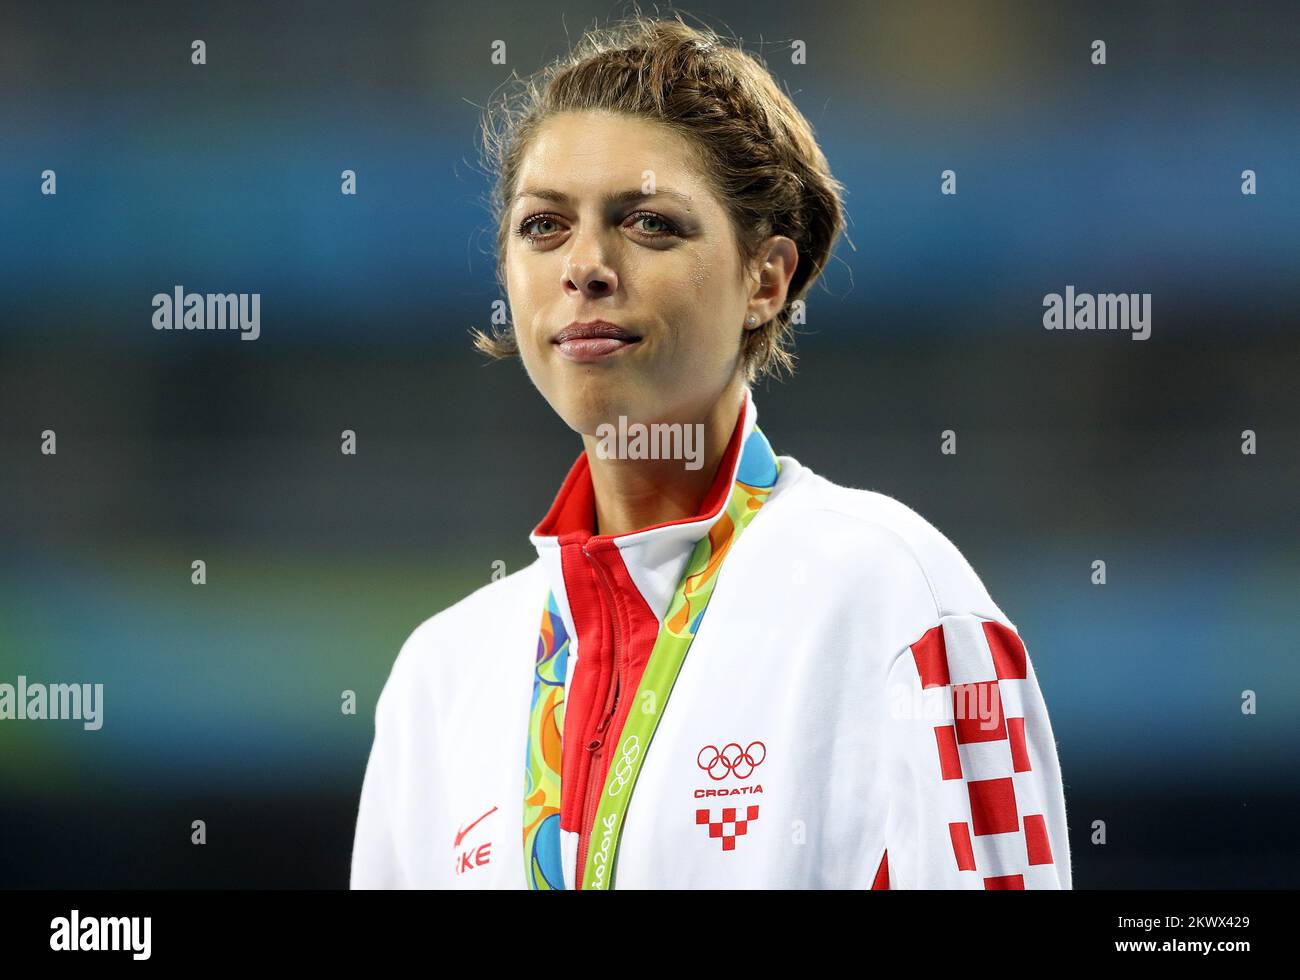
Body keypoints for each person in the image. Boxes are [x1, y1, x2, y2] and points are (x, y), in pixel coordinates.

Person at [350, 12, 1071, 890]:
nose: (586, 266)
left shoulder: (892, 599)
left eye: (649, 222)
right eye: (544, 226)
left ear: (765, 280)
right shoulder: (442, 677)